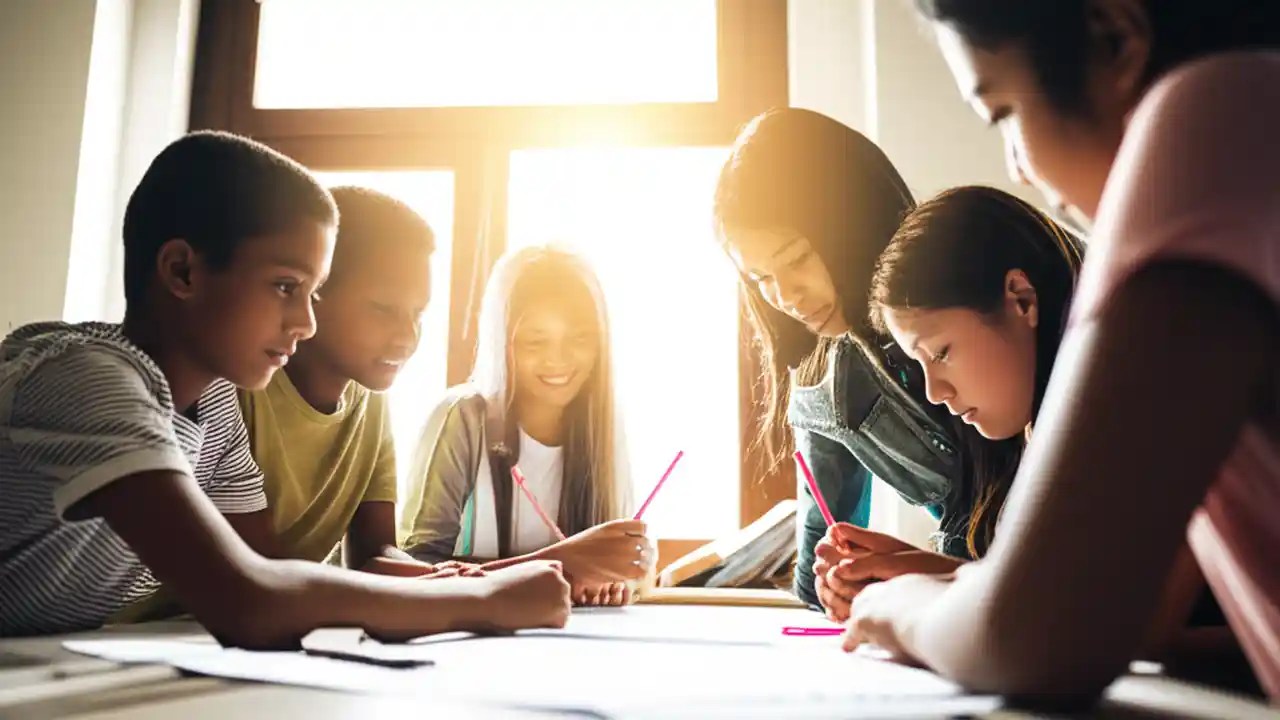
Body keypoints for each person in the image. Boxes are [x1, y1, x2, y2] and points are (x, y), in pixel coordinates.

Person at [841, 0, 1280, 701]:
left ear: (1115, 36)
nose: (1016, 167)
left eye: (1004, 111)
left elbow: (1034, 638)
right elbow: (1126, 607)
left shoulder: (1215, 113)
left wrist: (895, 609)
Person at [0, 131, 570, 643]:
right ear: (182, 272)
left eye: (312, 291)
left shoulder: (215, 404)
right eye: (284, 286)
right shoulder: (84, 378)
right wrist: (481, 602)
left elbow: (268, 568)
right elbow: (246, 598)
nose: (307, 322)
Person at [712, 107, 1001, 617]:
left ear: (850, 218)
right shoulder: (825, 382)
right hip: (981, 603)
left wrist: (914, 572)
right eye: (760, 279)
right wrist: (836, 588)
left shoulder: (980, 293)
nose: (784, 296)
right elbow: (817, 562)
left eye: (797, 259)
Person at [402, 245, 650, 606]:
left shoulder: (604, 433)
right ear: (503, 343)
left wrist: (628, 574)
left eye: (579, 339)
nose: (558, 359)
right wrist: (561, 568)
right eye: (535, 341)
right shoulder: (462, 420)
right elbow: (416, 568)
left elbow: (620, 579)